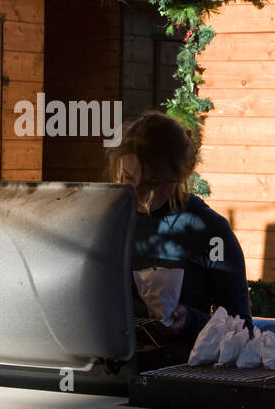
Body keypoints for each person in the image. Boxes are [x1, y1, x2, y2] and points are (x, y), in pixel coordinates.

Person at [107, 111, 253, 338]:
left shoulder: (210, 232)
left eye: (152, 182)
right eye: (128, 178)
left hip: (182, 359)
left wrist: (192, 321)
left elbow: (242, 328)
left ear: (180, 175)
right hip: (110, 357)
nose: (137, 193)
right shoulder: (109, 221)